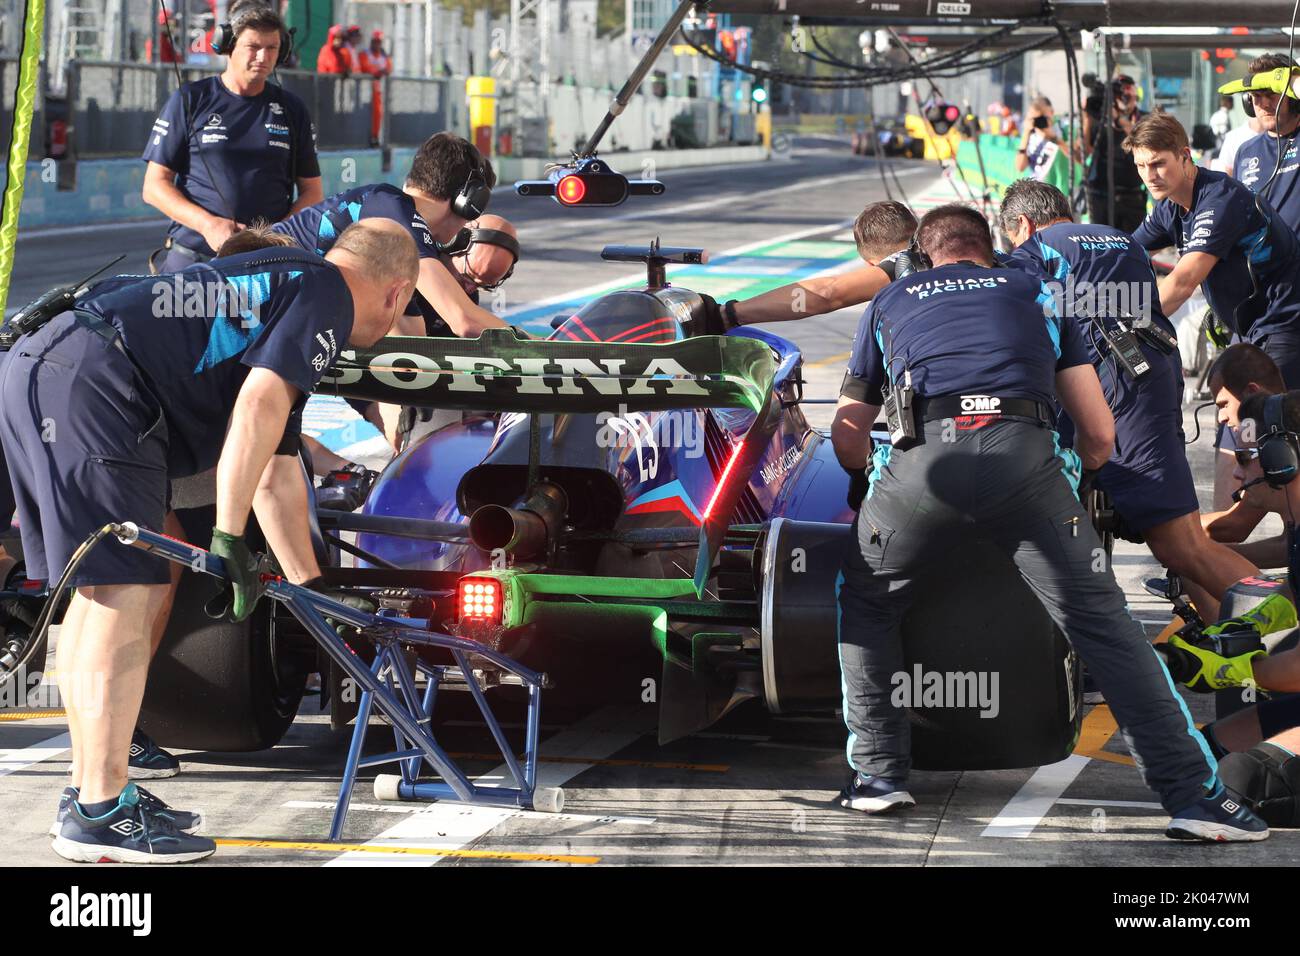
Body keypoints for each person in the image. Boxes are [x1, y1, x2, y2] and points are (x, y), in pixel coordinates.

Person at [831, 202, 1266, 841]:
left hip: (924, 467)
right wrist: (1066, 479)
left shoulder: (891, 300)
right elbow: (1098, 434)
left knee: (866, 599)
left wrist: (880, 489)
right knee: (1106, 629)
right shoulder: (1039, 290)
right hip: (1022, 460)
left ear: (925, 257)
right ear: (992, 250)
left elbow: (848, 436)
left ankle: (877, 776)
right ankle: (1194, 798)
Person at [0, 220, 418, 863]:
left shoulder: (281, 286)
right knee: (128, 590)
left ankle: (90, 791)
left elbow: (274, 469)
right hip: (96, 375)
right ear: (397, 293)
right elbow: (255, 412)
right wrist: (227, 538)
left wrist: (311, 591)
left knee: (99, 594)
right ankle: (100, 811)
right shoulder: (326, 292)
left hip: (41, 358)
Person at [1000, 178, 1257, 621]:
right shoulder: (1124, 240)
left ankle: (1287, 624)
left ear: (1022, 224)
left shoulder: (1036, 250)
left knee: (1182, 545)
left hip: (1111, 384)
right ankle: (1232, 645)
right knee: (1178, 540)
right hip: (1154, 375)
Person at [142, 4, 322, 272]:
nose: (263, 57)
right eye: (253, 46)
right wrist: (208, 224)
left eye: (272, 48)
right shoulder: (190, 99)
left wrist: (275, 235)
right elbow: (154, 187)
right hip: (194, 259)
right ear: (228, 46)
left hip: (267, 261)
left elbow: (312, 192)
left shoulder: (292, 109)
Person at [273, 132, 505, 338]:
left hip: (271, 301)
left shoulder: (390, 213)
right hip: (257, 294)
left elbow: (412, 341)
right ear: (469, 202)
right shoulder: (394, 212)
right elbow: (463, 320)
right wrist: (530, 345)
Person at [1128, 112, 1300, 388]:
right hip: (1248, 326)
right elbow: (1124, 254)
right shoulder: (1168, 208)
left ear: (1185, 156)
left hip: (1284, 321)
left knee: (1267, 422)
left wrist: (1126, 327)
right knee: (1232, 421)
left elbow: (1183, 282)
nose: (1149, 176)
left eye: (1158, 163)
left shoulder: (1219, 199)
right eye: (1141, 165)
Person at [713, 200, 911, 328]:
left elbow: (826, 294)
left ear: (870, 265)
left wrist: (730, 314)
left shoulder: (904, 263)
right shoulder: (938, 246)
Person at [1221, 54, 1300, 235]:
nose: (1263, 103)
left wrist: (1290, 81)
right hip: (1264, 260)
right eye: (1256, 95)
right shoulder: (1246, 151)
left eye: (1271, 93)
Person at [1084, 74, 1148, 233]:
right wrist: (1087, 119)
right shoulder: (1100, 121)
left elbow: (1145, 141)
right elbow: (1083, 154)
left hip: (1132, 197)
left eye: (1128, 95)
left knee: (1133, 247)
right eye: (1119, 95)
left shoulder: (1145, 118)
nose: (1124, 99)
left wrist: (1118, 118)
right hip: (1101, 197)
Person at [358, 30, 392, 146]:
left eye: (379, 42)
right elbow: (364, 67)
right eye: (375, 42)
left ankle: (376, 138)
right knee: (365, 114)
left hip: (378, 91)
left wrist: (382, 71)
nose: (377, 44)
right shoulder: (365, 54)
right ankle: (365, 137)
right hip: (365, 91)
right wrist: (377, 72)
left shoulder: (384, 57)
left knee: (379, 115)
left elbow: (388, 68)